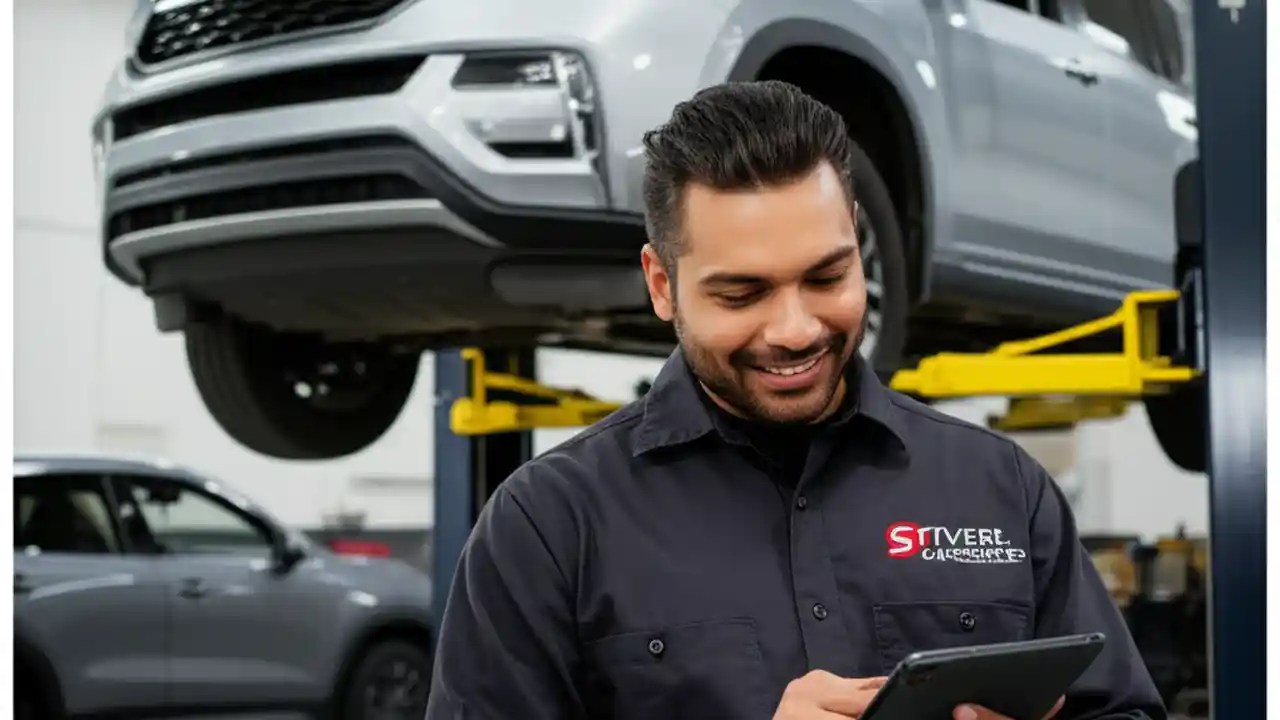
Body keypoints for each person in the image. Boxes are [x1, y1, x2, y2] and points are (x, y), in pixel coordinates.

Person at [425, 81, 1165, 720]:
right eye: (742, 293)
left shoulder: (1001, 490)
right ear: (661, 284)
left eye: (826, 277)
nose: (796, 329)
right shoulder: (549, 528)